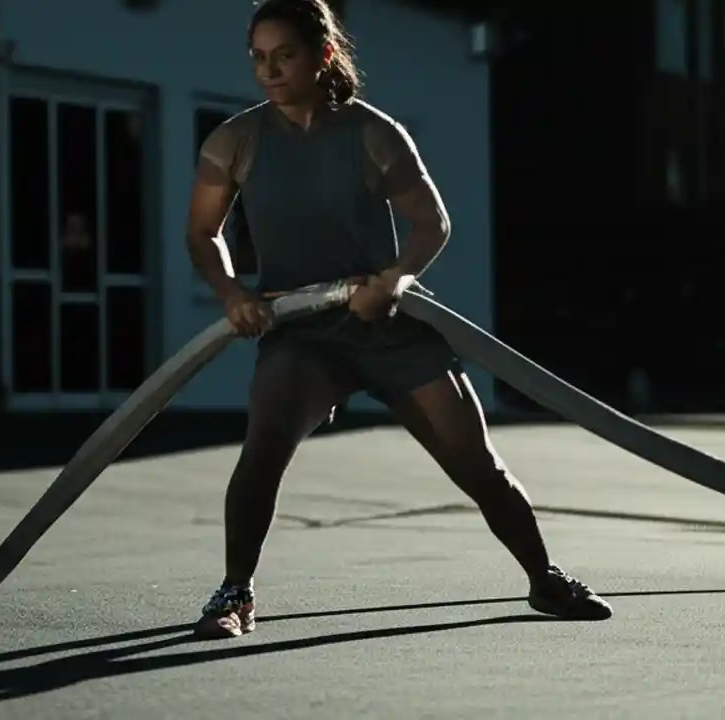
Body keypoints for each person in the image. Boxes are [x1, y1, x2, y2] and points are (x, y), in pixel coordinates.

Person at [184, 0, 612, 639]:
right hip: (300, 332)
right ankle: (233, 594)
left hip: (384, 321)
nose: (268, 70)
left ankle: (545, 580)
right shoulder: (236, 139)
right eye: (258, 57)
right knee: (263, 448)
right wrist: (230, 293)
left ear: (322, 55)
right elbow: (203, 233)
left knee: (477, 465)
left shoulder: (371, 131)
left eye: (285, 55)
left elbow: (430, 223)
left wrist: (392, 280)